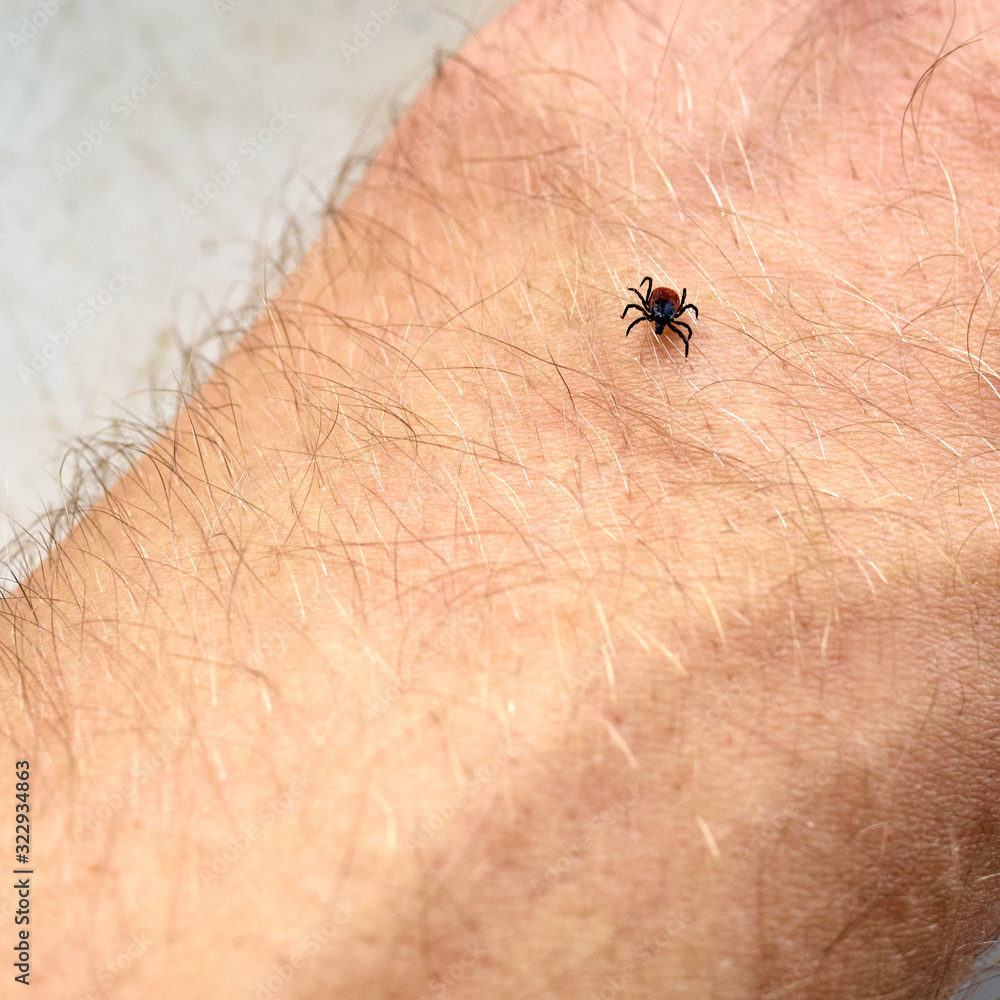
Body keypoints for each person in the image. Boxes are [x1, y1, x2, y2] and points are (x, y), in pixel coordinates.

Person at [4, 1, 999, 996]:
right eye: (660, 313)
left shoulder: (657, 303)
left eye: (664, 314)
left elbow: (656, 297)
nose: (662, 316)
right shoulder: (661, 310)